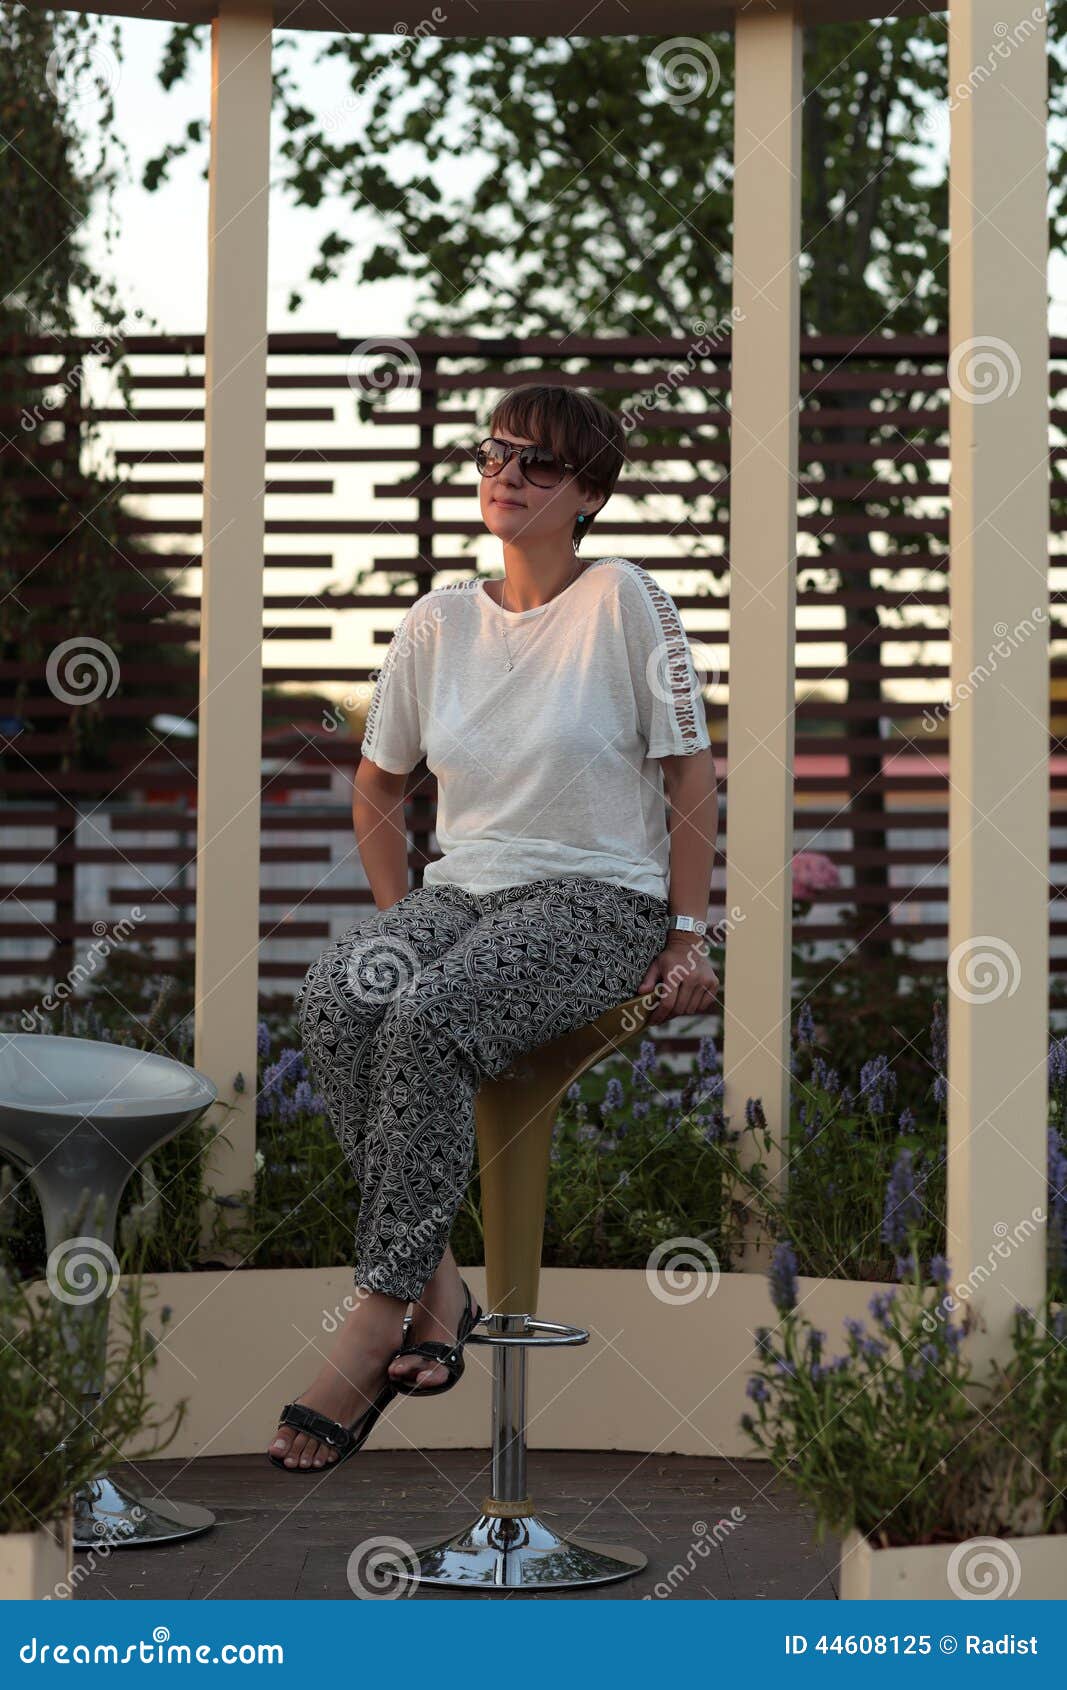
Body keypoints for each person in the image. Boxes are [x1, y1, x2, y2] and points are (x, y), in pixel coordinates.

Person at [268, 383, 720, 1471]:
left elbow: (689, 773)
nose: (506, 474)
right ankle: (439, 1288)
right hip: (459, 894)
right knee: (338, 998)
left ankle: (379, 1311)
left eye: (539, 464)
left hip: (597, 899)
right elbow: (377, 786)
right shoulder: (437, 619)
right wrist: (403, 922)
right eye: (495, 453)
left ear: (589, 495)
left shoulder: (624, 600)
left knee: (430, 1014)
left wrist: (690, 931)